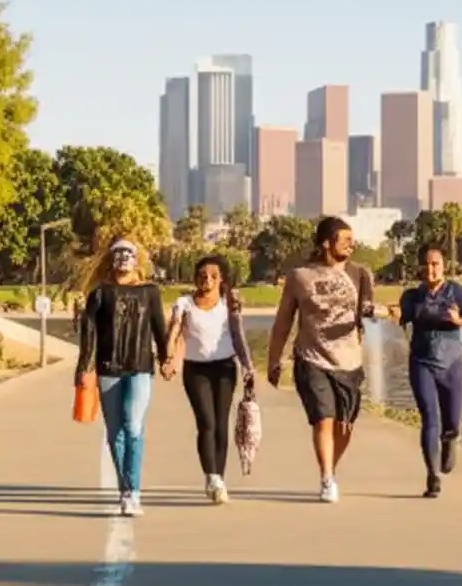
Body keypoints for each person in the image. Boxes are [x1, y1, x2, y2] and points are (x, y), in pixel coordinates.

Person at [266, 216, 375, 503]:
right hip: (312, 358)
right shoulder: (299, 276)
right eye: (345, 239)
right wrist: (274, 360)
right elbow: (283, 322)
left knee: (344, 427)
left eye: (353, 240)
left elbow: (367, 310)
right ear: (326, 243)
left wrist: (390, 313)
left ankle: (331, 468)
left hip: (349, 361)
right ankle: (327, 477)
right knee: (323, 419)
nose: (352, 245)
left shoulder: (360, 274)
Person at [76, 238, 170, 517]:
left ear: (136, 260)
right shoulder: (100, 294)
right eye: (118, 254)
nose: (123, 260)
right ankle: (124, 490)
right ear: (111, 260)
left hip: (140, 367)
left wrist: (166, 359)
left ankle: (133, 491)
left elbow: (159, 328)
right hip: (108, 368)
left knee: (133, 426)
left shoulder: (150, 293)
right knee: (115, 432)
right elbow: (88, 335)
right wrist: (83, 368)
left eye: (128, 254)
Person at [162, 255, 255, 505]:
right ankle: (211, 475)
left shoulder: (229, 304)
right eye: (203, 275)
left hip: (225, 367)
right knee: (207, 422)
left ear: (221, 279)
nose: (208, 280)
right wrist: (169, 359)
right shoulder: (184, 303)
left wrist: (248, 367)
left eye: (213, 276)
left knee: (222, 423)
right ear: (196, 278)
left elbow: (238, 336)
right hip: (196, 370)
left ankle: (219, 478)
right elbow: (174, 331)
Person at [390, 246, 462, 498]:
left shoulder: (456, 293)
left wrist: (459, 321)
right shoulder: (412, 296)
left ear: (443, 266)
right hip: (422, 362)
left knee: (451, 420)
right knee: (430, 417)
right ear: (420, 267)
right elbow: (401, 316)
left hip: (452, 365)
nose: (431, 269)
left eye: (436, 264)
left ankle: (450, 440)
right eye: (427, 264)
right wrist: (395, 314)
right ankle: (432, 476)